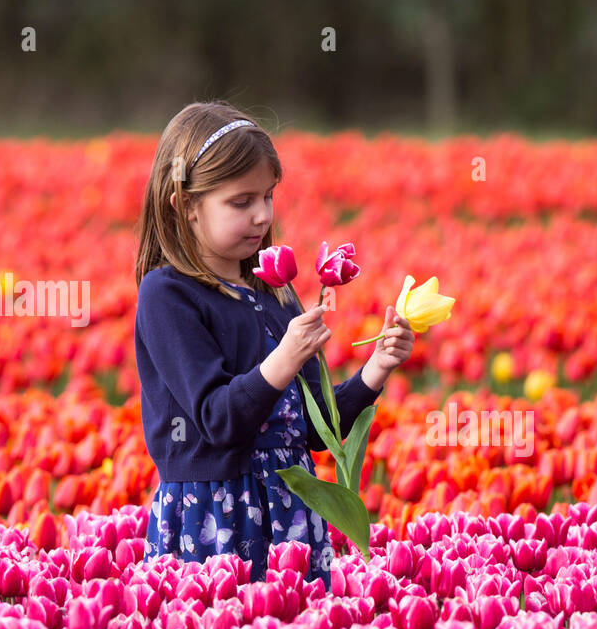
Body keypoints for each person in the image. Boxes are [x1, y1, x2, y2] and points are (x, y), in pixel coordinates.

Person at [133, 100, 414, 591]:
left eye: (268, 196)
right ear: (186, 205)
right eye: (241, 202)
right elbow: (219, 419)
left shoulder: (274, 289)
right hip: (216, 517)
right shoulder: (168, 296)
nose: (262, 215)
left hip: (291, 511)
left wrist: (377, 368)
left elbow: (309, 429)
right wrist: (283, 357)